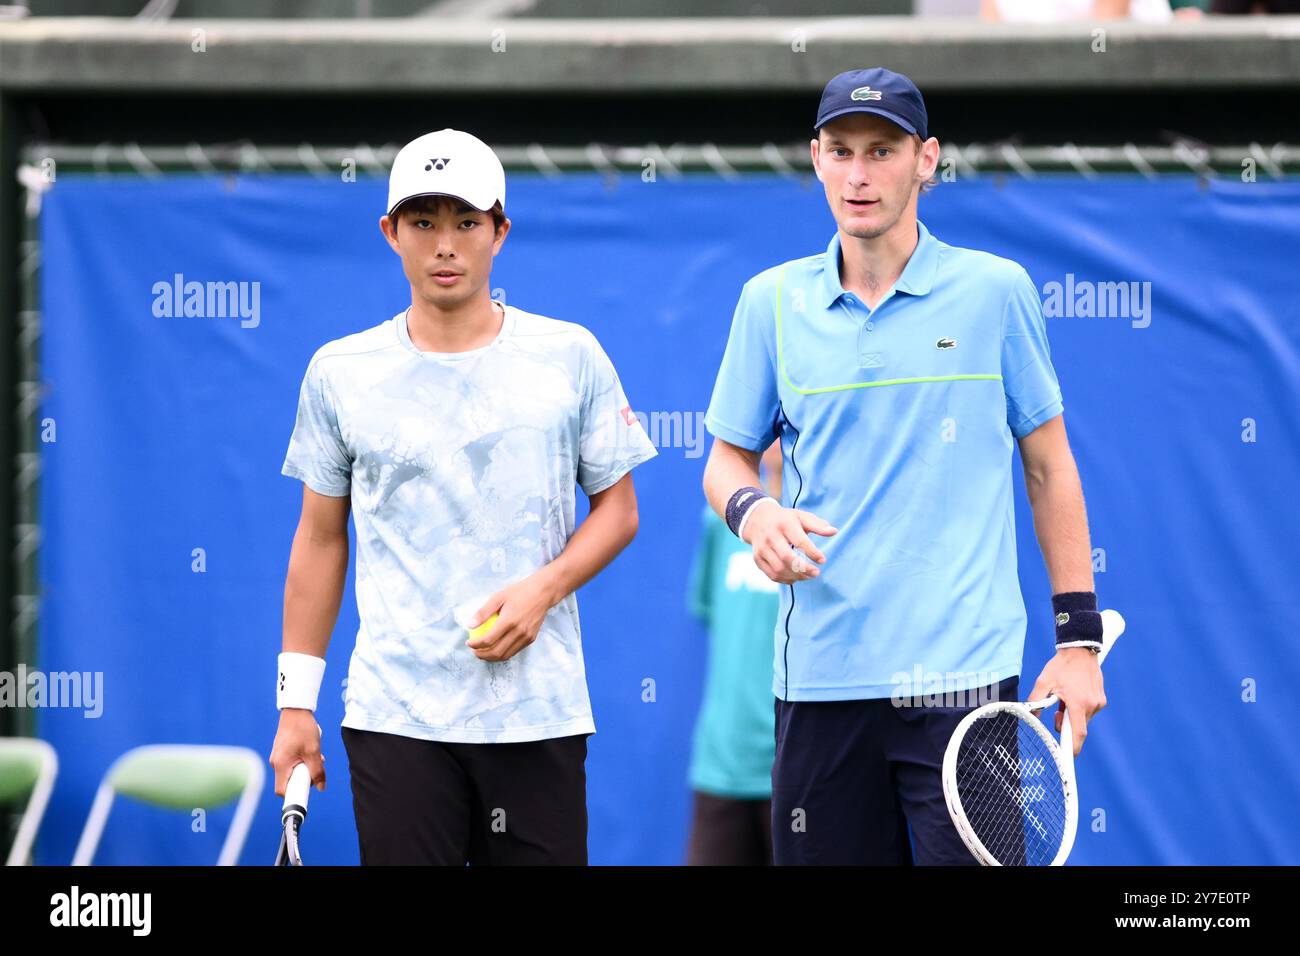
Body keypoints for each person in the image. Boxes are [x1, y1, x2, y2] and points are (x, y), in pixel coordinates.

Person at [701, 69, 1108, 865]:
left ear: (927, 161)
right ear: (815, 159)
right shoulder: (769, 303)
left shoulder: (997, 292)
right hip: (820, 686)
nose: (859, 174)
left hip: (964, 686)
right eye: (842, 151)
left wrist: (1078, 641)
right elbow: (724, 461)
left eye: (882, 151)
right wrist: (756, 512)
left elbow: (1050, 467)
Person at [271, 128, 657, 865]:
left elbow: (620, 511)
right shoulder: (338, 372)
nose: (444, 244)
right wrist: (296, 704)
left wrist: (543, 590)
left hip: (536, 715)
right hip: (395, 718)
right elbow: (320, 540)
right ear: (391, 233)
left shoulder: (570, 356)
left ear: (499, 232)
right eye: (423, 223)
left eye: (465, 223)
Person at [684, 442, 782, 866]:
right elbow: (708, 611)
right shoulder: (720, 523)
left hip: (797, 767)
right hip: (722, 763)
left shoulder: (826, 527)